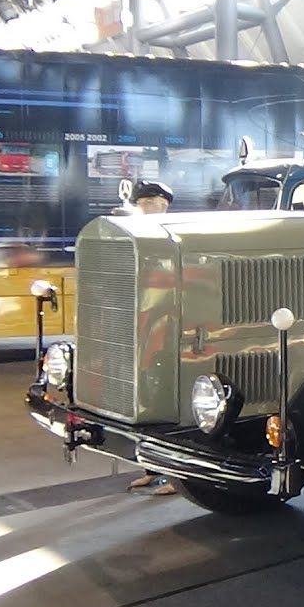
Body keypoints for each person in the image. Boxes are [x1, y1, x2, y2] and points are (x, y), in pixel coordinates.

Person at [115, 179, 178, 495]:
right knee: (142, 402)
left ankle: (173, 476)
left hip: (163, 333)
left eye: (149, 202)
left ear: (162, 203)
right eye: (141, 203)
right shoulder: (139, 236)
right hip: (140, 332)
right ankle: (151, 470)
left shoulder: (171, 238)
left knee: (163, 401)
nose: (144, 207)